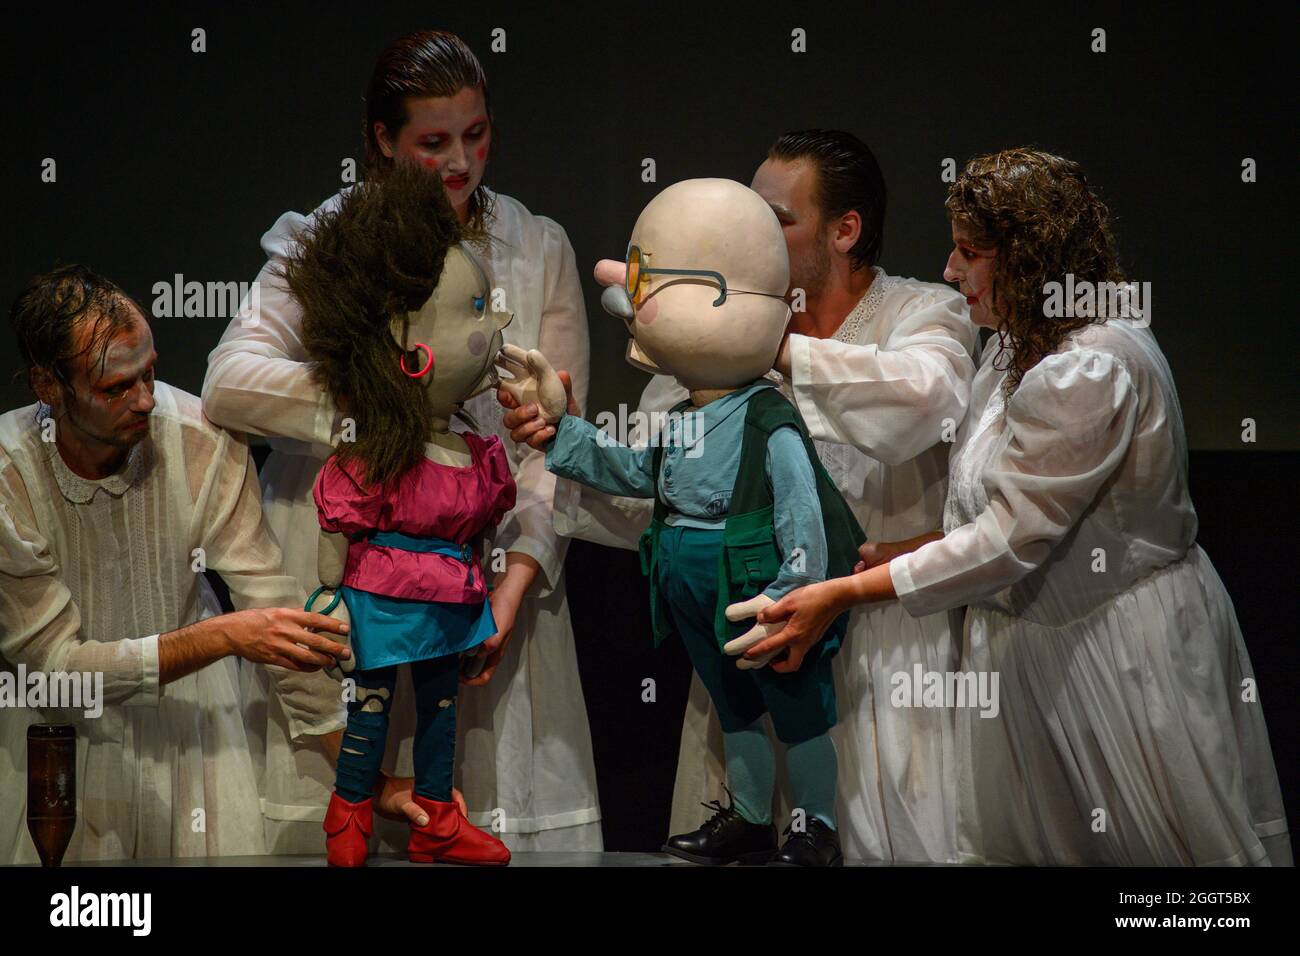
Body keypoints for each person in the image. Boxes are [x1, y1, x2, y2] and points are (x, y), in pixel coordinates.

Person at [750, 148, 1293, 866]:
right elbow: (994, 508)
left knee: (1160, 869)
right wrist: (909, 548)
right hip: (1032, 650)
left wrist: (848, 592)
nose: (950, 270)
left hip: (1113, 651)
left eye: (970, 253)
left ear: (1033, 259)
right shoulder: (1010, 350)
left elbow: (1011, 539)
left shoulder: (1091, 365)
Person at [201, 29, 600, 853]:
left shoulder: (536, 246)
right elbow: (228, 381)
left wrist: (512, 593)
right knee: (340, 784)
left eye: (477, 133)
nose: (462, 161)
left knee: (472, 792)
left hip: (481, 577)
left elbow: (549, 457)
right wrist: (384, 402)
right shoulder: (323, 241)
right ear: (381, 141)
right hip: (350, 566)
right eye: (434, 142)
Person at [533, 130, 978, 862]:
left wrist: (762, 344)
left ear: (845, 230)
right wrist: (559, 434)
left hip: (880, 657)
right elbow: (655, 491)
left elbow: (923, 404)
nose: (747, 233)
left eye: (774, 218)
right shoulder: (698, 365)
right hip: (748, 642)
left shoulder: (922, 314)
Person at [0, 265, 350, 863]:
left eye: (150, 373)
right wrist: (222, 636)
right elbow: (58, 668)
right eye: (114, 388)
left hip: (194, 734)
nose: (144, 400)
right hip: (63, 740)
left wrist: (358, 769)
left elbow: (271, 609)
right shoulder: (11, 476)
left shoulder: (197, 439)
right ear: (48, 386)